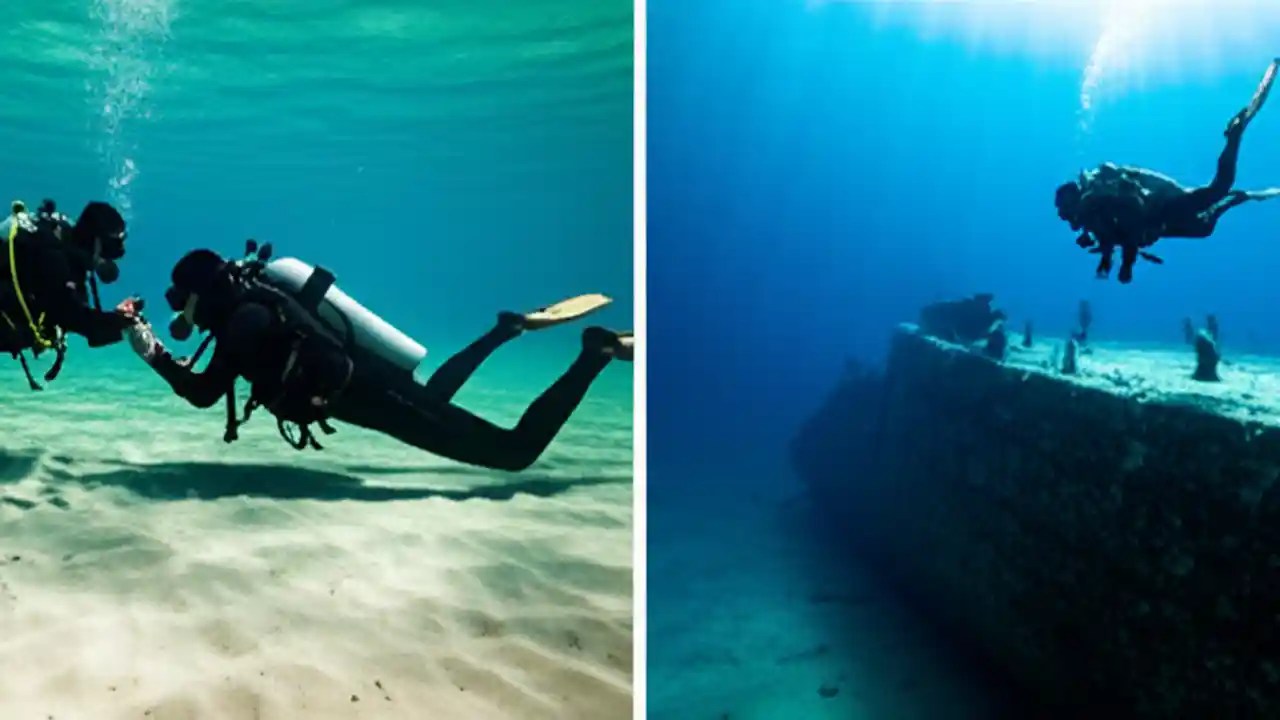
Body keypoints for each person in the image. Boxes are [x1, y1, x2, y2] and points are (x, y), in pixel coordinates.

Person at [120, 245, 634, 471]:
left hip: (364, 390)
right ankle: (503, 332)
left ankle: (595, 354)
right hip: (366, 380)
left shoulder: (243, 320)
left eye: (177, 299)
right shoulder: (255, 305)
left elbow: (206, 392)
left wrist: (155, 355)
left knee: (514, 454)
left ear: (200, 292)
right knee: (426, 397)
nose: (180, 311)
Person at [1054, 58, 1280, 284]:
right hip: (1160, 221)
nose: (1061, 214)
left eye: (1062, 206)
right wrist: (1106, 263)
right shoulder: (1092, 217)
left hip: (1162, 207)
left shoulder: (1096, 200)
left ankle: (1234, 136)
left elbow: (1132, 221)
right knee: (1204, 228)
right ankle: (1235, 198)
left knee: (1218, 189)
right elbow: (1113, 238)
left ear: (1073, 199)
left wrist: (1126, 265)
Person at [0, 200, 134, 389]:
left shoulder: (68, 249)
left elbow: (76, 310)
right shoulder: (54, 257)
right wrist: (125, 323)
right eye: (112, 242)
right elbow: (77, 319)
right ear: (96, 241)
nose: (116, 252)